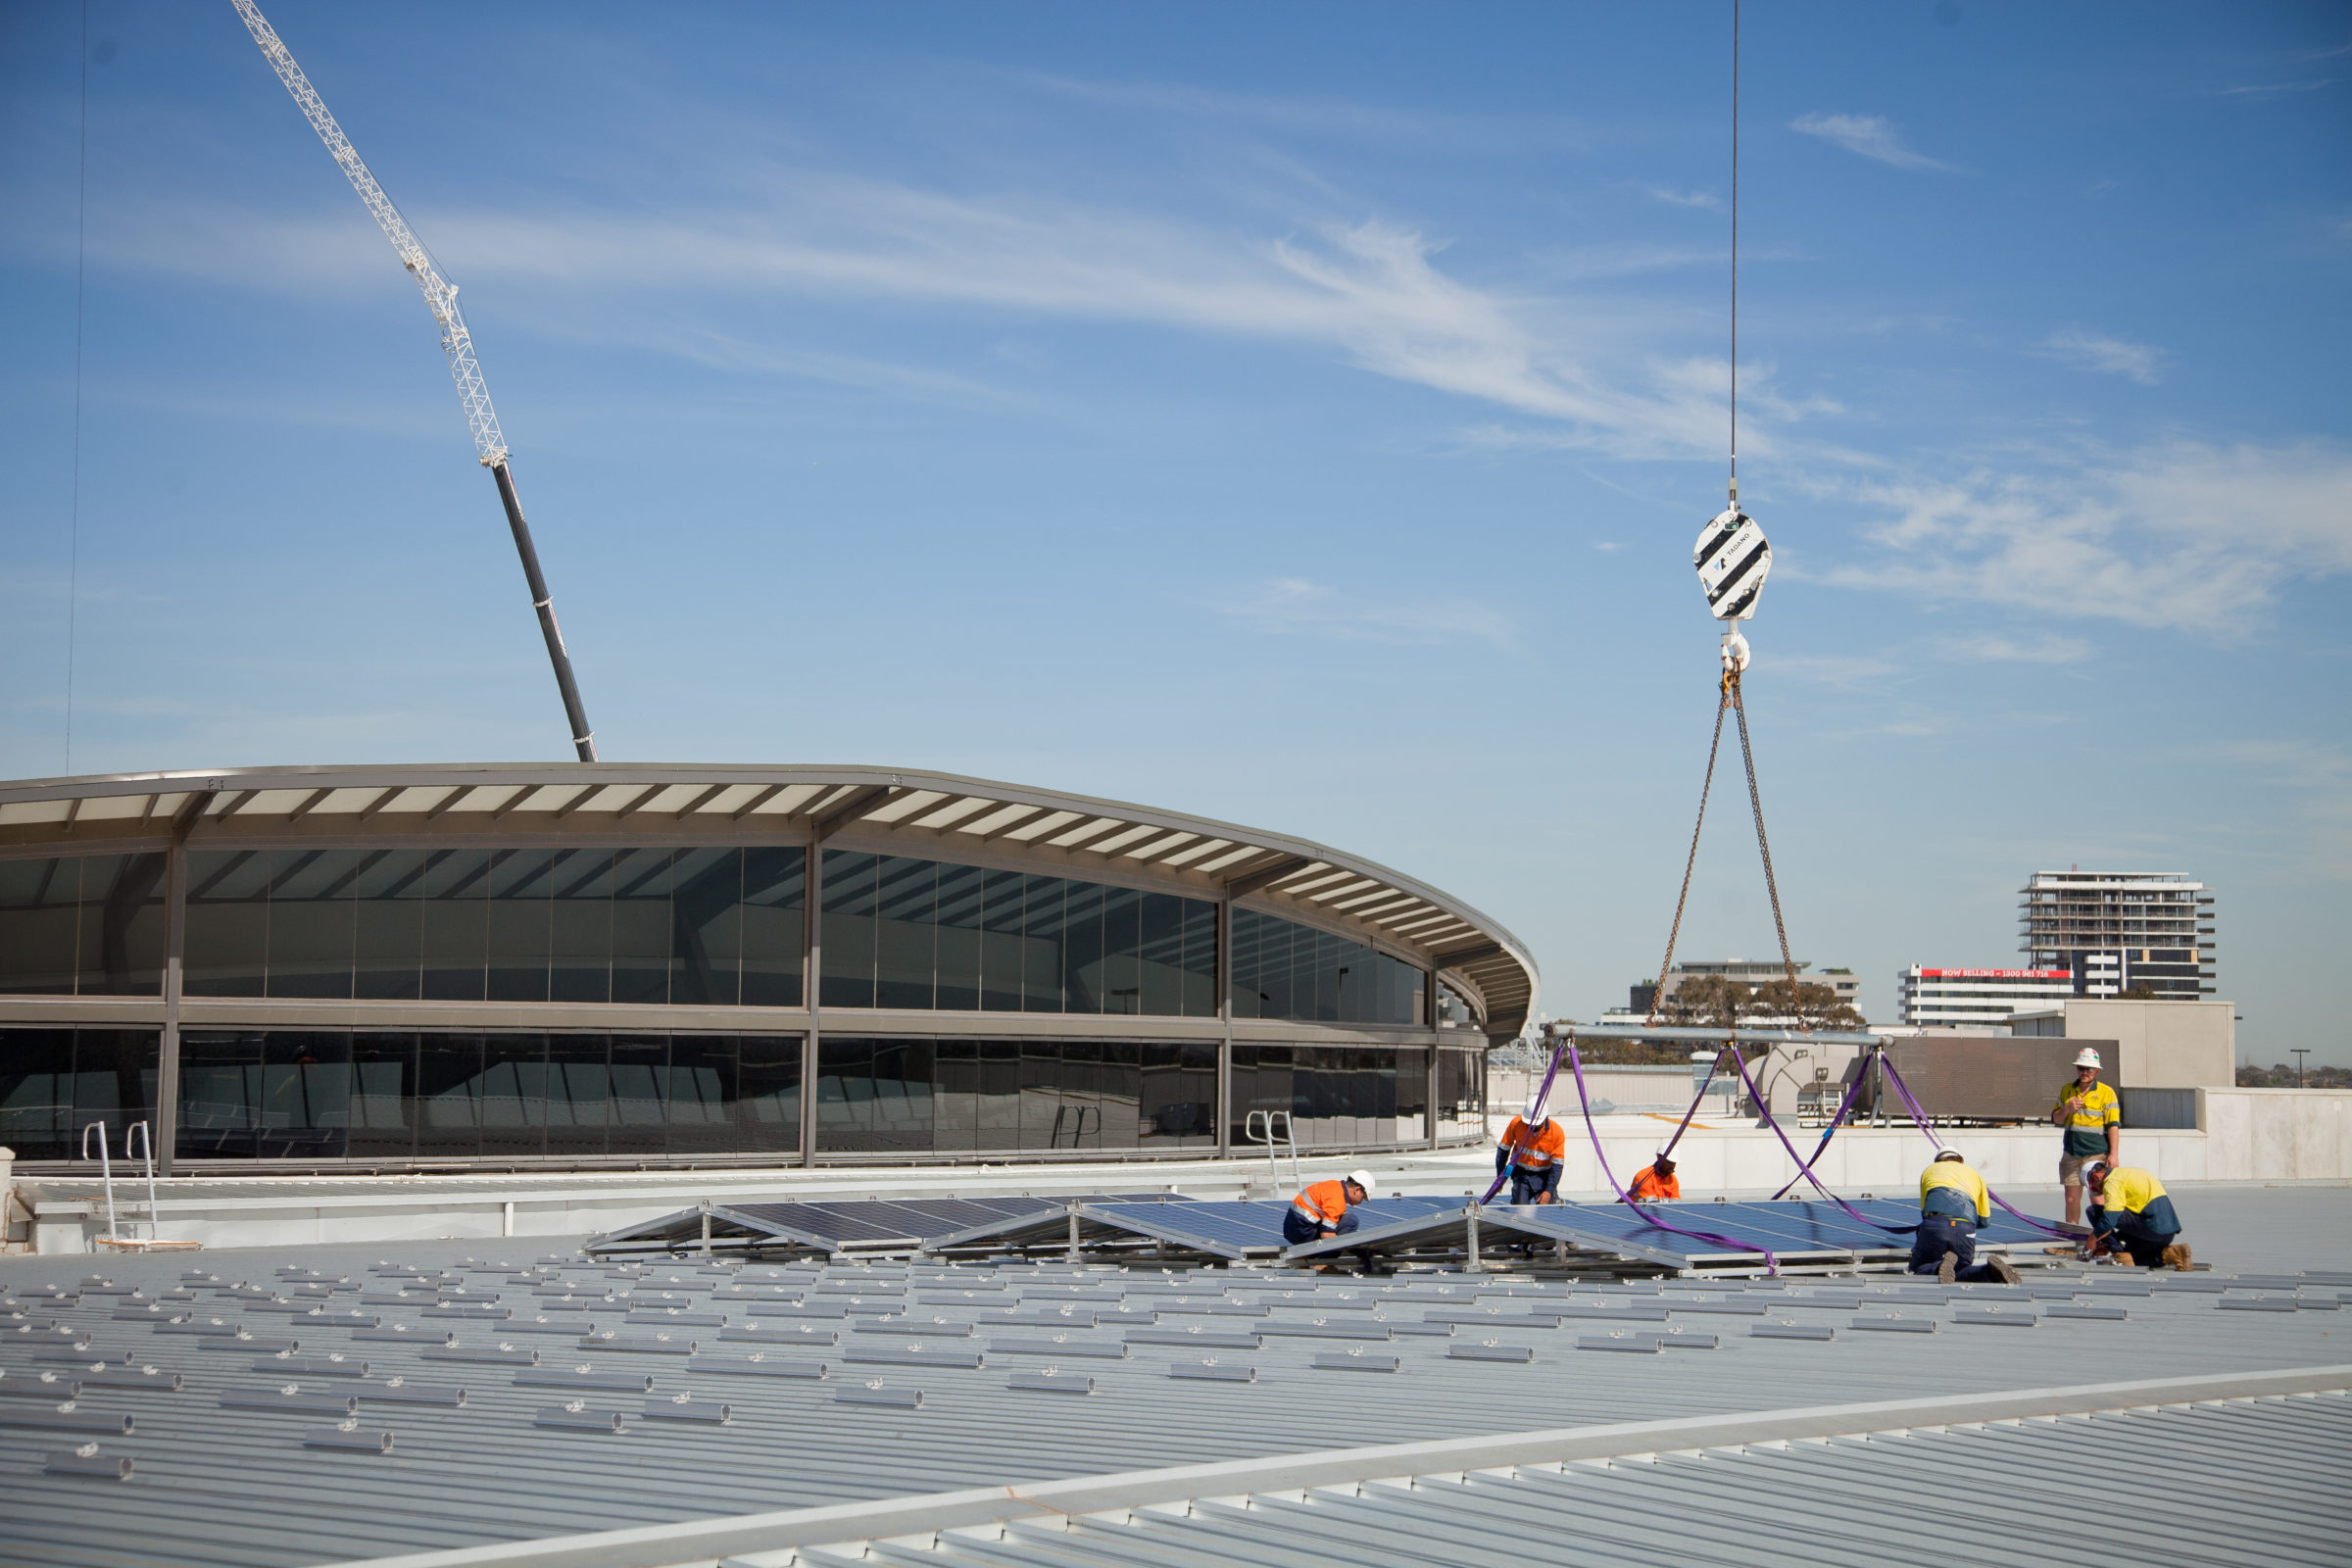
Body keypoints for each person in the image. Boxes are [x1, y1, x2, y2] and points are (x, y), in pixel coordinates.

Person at [1910, 1149, 2023, 1285]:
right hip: (1965, 1228)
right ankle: (1989, 1272)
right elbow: (1985, 1220)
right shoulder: (1975, 1175)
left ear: (1938, 1160)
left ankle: (1939, 1267)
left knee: (1919, 1267)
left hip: (1935, 1223)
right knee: (1961, 1269)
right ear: (1960, 1161)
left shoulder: (1930, 1170)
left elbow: (1924, 1210)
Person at [2052, 1048, 2121, 1226]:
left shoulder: (2106, 1093)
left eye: (2088, 1069)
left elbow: (2113, 1126)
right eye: (2081, 1068)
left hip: (2096, 1154)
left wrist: (2113, 1154)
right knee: (2071, 1200)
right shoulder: (2067, 1090)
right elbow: (2056, 1119)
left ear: (2096, 1071)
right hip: (2072, 1154)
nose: (2084, 1072)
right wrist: (2067, 1108)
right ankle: (2073, 1240)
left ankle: (2103, 1241)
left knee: (2098, 1200)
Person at [2084, 1162, 2191, 1271]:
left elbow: (2110, 1219)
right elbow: (2135, 1218)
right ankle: (2172, 1254)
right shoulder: (2132, 1173)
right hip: (2165, 1234)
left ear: (2096, 1177)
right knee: (2134, 1259)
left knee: (2094, 1211)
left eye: (2093, 1187)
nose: (2098, 1191)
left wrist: (2093, 1239)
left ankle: (2120, 1254)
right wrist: (2108, 1244)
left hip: (2152, 1229)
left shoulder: (2112, 1180)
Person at [1495, 1099, 1567, 1204]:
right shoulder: (1516, 1124)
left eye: (1535, 1124)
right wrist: (1500, 1178)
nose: (1531, 1126)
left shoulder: (1556, 1133)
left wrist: (1549, 1190)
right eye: (1528, 1123)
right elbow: (1503, 1151)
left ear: (1544, 1118)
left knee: (1548, 1211)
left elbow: (1557, 1166)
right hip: (1521, 1174)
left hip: (1544, 1176)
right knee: (1520, 1210)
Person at [1283, 1169, 1375, 1248]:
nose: (1361, 1202)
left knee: (1340, 1219)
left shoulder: (1333, 1185)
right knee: (1351, 1220)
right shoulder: (1337, 1200)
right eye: (1363, 1197)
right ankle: (1323, 1264)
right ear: (1357, 1190)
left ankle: (1306, 1257)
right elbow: (1326, 1235)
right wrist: (1346, 1248)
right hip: (1302, 1233)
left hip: (1293, 1230)